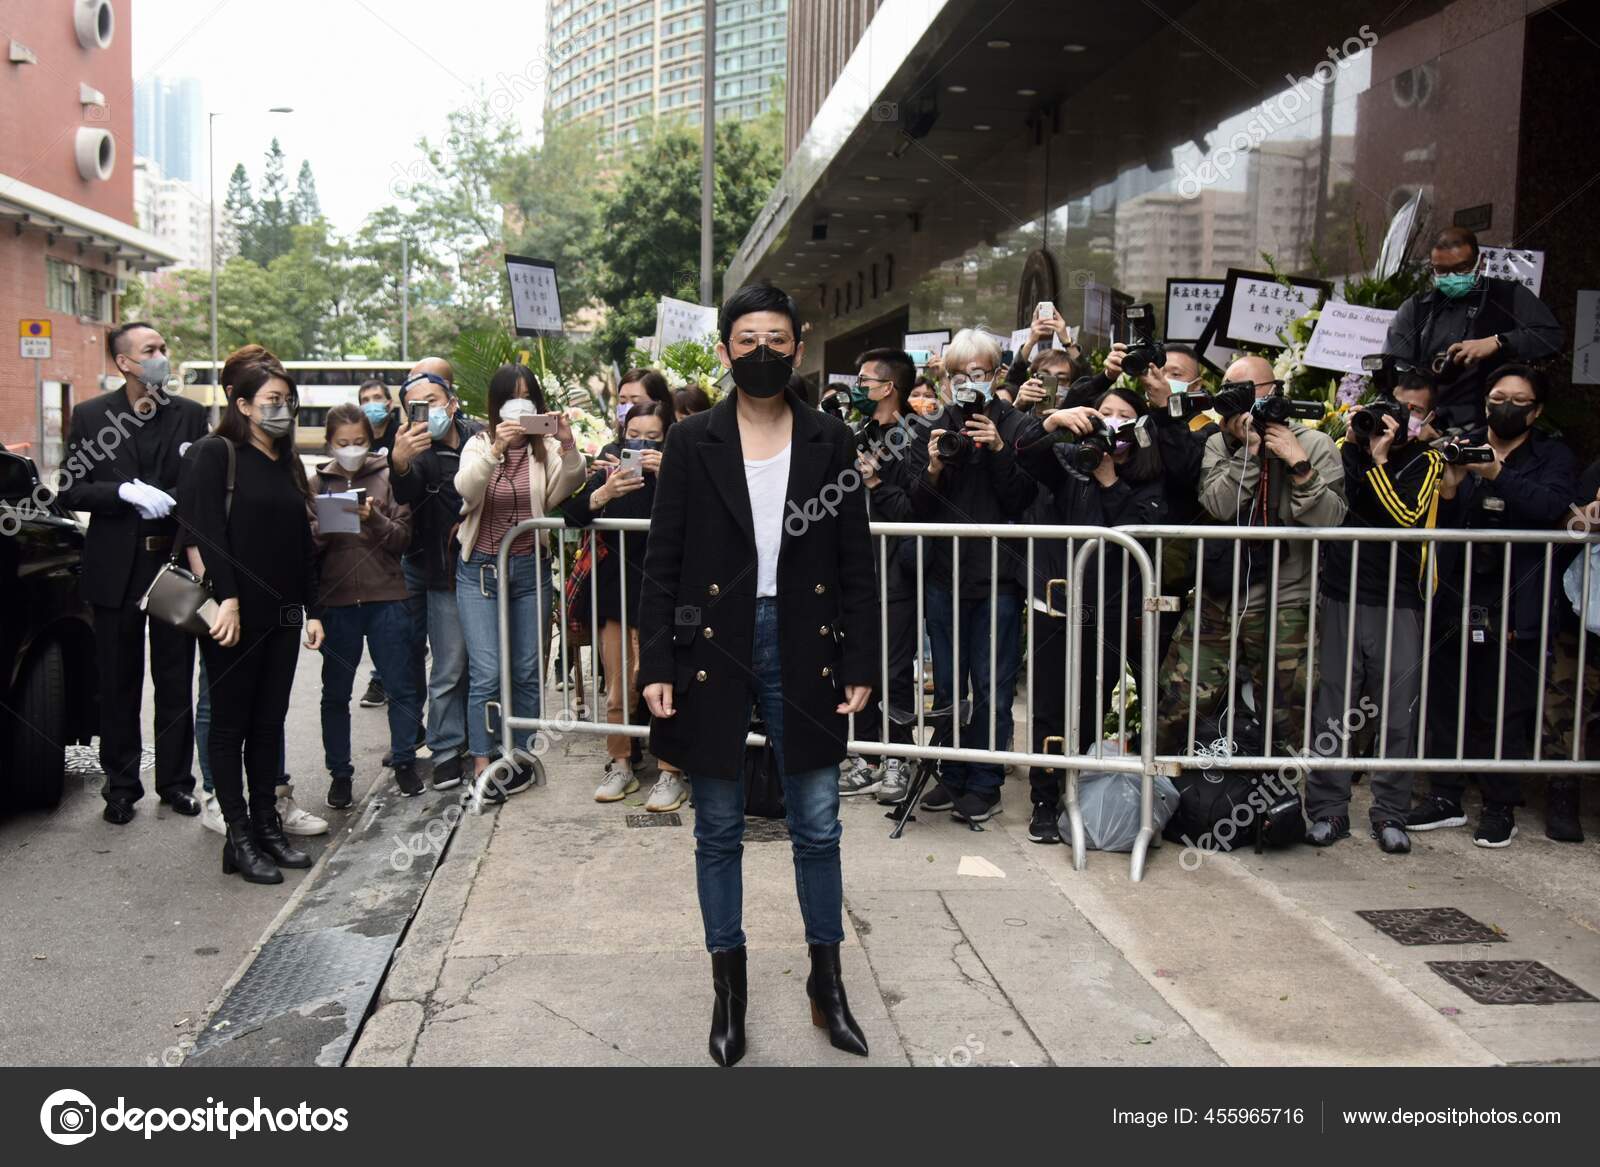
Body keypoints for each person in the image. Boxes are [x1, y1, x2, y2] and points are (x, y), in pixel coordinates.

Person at [639, 283, 878, 1067]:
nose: (762, 352)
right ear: (724, 351)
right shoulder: (691, 441)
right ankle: (729, 991)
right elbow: (663, 560)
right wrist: (657, 663)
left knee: (818, 821)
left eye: (776, 338)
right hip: (713, 643)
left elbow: (855, 559)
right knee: (717, 826)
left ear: (798, 347)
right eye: (747, 339)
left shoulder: (830, 439)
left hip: (804, 639)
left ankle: (826, 983)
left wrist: (861, 658)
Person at [1408, 364, 1576, 847]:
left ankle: (1500, 805)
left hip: (1517, 599)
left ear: (1537, 411)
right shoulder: (1459, 444)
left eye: (1519, 401)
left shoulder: (1552, 456)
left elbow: (1550, 510)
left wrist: (1497, 473)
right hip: (1457, 593)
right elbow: (1436, 516)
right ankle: (1445, 796)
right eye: (1499, 397)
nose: (1506, 406)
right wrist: (1453, 481)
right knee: (1447, 696)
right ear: (1484, 403)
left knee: (1504, 704)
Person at [177, 347, 324, 885]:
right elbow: (203, 530)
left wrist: (312, 610)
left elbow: (302, 545)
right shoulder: (216, 453)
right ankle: (238, 835)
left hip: (283, 616)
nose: (282, 410)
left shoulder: (288, 463)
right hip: (233, 615)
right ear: (241, 404)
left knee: (268, 725)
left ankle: (266, 826)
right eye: (271, 400)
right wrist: (230, 598)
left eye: (288, 401)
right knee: (229, 726)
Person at [1155, 355, 1346, 761]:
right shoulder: (1217, 442)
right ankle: (1164, 800)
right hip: (1217, 601)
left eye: (1246, 392)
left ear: (1273, 391)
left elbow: (1330, 521)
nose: (1237, 402)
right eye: (1229, 392)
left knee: (1288, 719)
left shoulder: (1314, 444)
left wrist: (1299, 466)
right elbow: (1219, 505)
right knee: (1177, 707)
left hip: (1287, 602)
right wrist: (1248, 452)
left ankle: (1281, 813)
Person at [62, 321, 208, 825]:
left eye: (164, 347)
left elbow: (204, 491)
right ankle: (120, 787)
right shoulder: (91, 415)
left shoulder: (190, 415)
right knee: (118, 682)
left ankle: (175, 783)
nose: (161, 355)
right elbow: (70, 489)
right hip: (115, 569)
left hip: (168, 566)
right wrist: (120, 493)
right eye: (151, 350)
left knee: (174, 679)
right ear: (124, 362)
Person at [1013, 388, 1168, 843]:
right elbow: (1022, 454)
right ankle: (1043, 798)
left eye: (1124, 415)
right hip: (1055, 603)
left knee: (1089, 704)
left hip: (1110, 611)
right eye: (1105, 412)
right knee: (1047, 708)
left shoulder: (1147, 476)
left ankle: (1072, 787)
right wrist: (1052, 422)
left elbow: (1141, 528)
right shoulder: (1064, 458)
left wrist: (1107, 478)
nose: (1111, 421)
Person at [1303, 373, 1445, 855]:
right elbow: (1333, 506)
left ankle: (1390, 813)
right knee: (1333, 710)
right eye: (1393, 406)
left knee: (1398, 711)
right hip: (1343, 592)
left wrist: (1381, 458)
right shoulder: (1349, 452)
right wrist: (1358, 446)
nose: (1398, 418)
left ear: (1428, 418)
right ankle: (1327, 810)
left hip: (1399, 599)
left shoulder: (1427, 459)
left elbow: (1405, 517)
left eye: (1413, 410)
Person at [908, 327, 1036, 823]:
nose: (968, 383)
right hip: (943, 576)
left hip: (996, 580)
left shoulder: (1018, 425)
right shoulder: (932, 426)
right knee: (947, 687)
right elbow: (917, 506)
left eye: (978, 373)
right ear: (946, 377)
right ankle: (951, 772)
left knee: (992, 685)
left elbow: (1022, 498)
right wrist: (936, 467)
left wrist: (1000, 448)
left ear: (997, 374)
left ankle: (985, 780)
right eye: (959, 374)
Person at [455, 364, 585, 791]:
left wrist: (567, 447)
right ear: (496, 405)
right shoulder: (477, 444)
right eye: (512, 397)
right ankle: (482, 760)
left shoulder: (543, 449)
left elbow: (561, 491)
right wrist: (496, 448)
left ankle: (522, 757)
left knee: (529, 669)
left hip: (529, 568)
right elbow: (467, 490)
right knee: (488, 671)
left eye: (528, 396)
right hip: (480, 571)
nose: (520, 405)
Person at [561, 402, 687, 809]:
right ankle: (621, 765)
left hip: (668, 594)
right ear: (621, 431)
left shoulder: (682, 466)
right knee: (618, 688)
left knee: (664, 683)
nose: (642, 444)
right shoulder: (608, 466)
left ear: (667, 435)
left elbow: (706, 512)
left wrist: (669, 471)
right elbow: (571, 514)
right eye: (635, 434)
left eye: (652, 437)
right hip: (615, 593)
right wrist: (603, 492)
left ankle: (671, 772)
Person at [308, 404, 424, 803]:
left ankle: (405, 761)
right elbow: (305, 547)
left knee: (400, 685)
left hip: (387, 596)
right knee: (335, 694)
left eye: (359, 442)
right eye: (343, 443)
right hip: (337, 602)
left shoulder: (389, 478)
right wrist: (328, 523)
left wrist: (371, 518)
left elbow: (402, 539)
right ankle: (340, 774)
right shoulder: (316, 483)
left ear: (370, 440)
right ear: (330, 444)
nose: (352, 449)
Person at [389, 358, 481, 790]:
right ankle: (445, 750)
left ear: (453, 401)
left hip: (483, 567)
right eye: (415, 406)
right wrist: (401, 463)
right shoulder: (414, 449)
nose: (426, 411)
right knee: (448, 665)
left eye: (433, 401)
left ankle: (483, 742)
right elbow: (406, 490)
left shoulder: (479, 437)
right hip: (439, 573)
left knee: (483, 665)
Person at [839, 348, 925, 803]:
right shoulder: (859, 433)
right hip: (859, 572)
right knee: (861, 664)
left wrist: (874, 482)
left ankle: (898, 757)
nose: (858, 387)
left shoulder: (915, 436)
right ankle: (868, 758)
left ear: (888, 387)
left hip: (897, 574)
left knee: (893, 670)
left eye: (865, 380)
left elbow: (912, 509)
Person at [1384, 226, 1562, 430]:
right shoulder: (1416, 308)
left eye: (1461, 269)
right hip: (1424, 423)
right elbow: (1392, 370)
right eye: (1442, 270)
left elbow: (1551, 336)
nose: (1452, 277)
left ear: (1481, 261)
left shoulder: (1508, 296)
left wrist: (1498, 342)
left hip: (1490, 423)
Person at [355, 378, 400, 709]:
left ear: (389, 402)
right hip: (370, 532)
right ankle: (380, 678)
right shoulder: (359, 439)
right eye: (365, 399)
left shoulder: (403, 434)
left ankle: (390, 679)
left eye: (377, 398)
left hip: (401, 529)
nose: (371, 403)